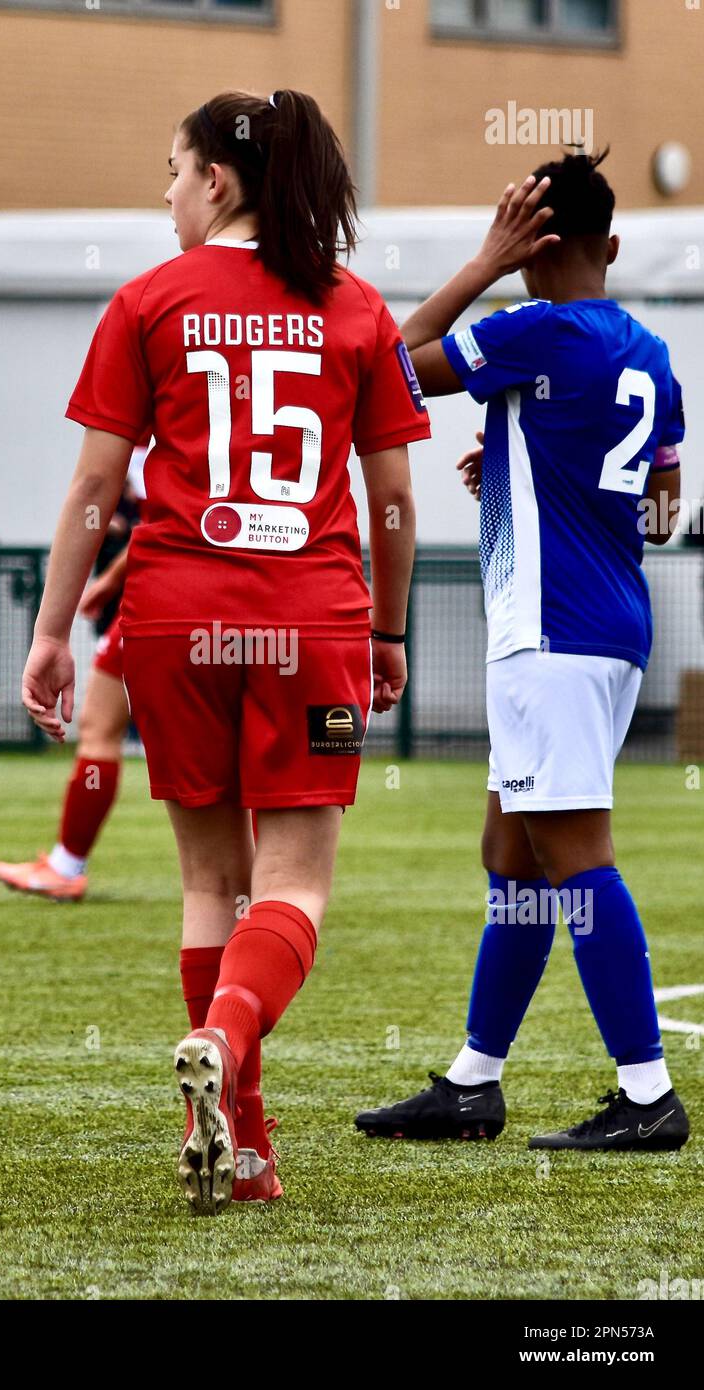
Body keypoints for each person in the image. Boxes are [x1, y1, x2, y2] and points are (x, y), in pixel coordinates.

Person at [21, 89, 430, 1213]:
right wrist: (386, 631)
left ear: (218, 181)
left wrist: (54, 631)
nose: (163, 195)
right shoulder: (354, 308)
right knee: (291, 887)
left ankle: (245, 1149)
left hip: (172, 617)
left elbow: (95, 486)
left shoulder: (147, 300)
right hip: (310, 624)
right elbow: (392, 499)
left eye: (170, 172)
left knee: (211, 885)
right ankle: (226, 1039)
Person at [356, 152, 689, 1152]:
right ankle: (471, 1084)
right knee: (511, 853)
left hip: (550, 632)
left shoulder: (530, 327)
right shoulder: (646, 348)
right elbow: (660, 509)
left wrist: (481, 263)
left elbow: (384, 364)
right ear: (611, 245)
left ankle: (645, 1096)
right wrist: (518, 460)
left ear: (529, 247)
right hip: (603, 626)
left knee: (574, 860)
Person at [0, 449, 149, 903]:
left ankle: (67, 865)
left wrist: (105, 583)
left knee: (99, 728)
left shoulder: (162, 428)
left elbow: (157, 524)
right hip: (264, 594)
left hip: (168, 595)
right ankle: (266, 885)